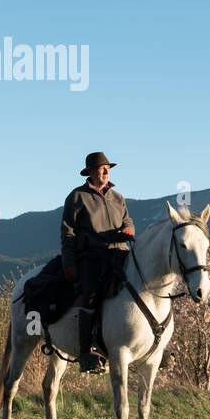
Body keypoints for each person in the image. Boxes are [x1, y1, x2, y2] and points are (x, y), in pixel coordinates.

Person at [60, 151, 134, 372]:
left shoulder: (118, 197)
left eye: (107, 168)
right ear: (90, 172)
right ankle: (85, 354)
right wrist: (69, 263)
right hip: (91, 256)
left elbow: (128, 220)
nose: (105, 171)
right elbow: (68, 233)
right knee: (90, 292)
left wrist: (128, 230)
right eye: (101, 168)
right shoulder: (77, 197)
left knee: (141, 285)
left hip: (120, 253)